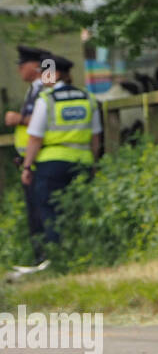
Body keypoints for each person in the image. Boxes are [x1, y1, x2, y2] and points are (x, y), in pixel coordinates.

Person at [21, 53, 102, 263]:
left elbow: (35, 138)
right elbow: (95, 138)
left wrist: (27, 167)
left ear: (55, 74)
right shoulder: (88, 98)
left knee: (49, 210)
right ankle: (87, 253)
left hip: (52, 164)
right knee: (80, 208)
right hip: (82, 162)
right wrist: (93, 163)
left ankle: (57, 258)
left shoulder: (46, 100)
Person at [6, 45, 52, 268]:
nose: (19, 70)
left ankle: (45, 257)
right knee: (33, 210)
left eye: (22, 65)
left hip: (39, 159)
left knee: (40, 210)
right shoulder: (34, 89)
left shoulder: (44, 87)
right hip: (29, 159)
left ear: (35, 67)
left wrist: (19, 119)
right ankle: (39, 257)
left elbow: (44, 119)